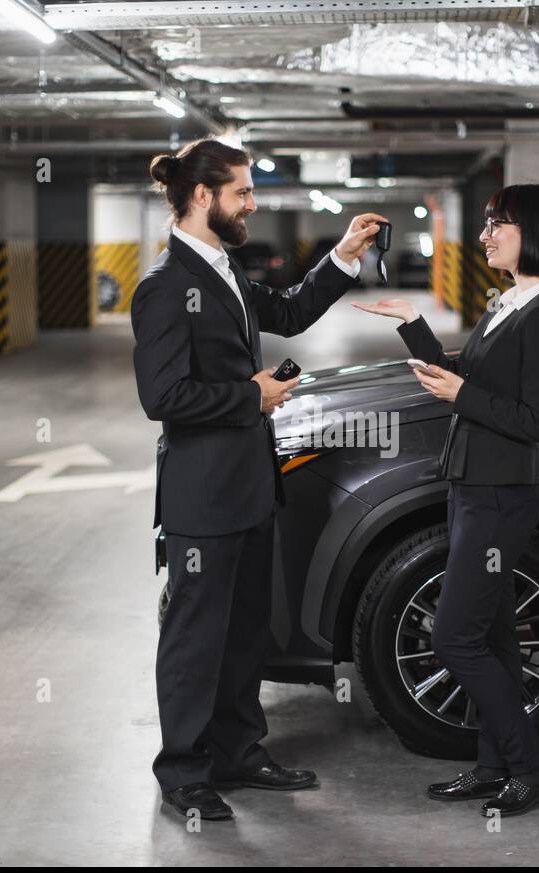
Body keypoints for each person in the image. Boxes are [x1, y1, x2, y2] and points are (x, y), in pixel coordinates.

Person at [132, 136, 383, 822]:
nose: (253, 202)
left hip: (246, 488)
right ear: (204, 197)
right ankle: (184, 770)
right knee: (195, 638)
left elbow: (293, 311)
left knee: (246, 633)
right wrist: (253, 397)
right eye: (243, 191)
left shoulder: (226, 272)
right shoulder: (164, 287)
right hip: (201, 496)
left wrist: (344, 256)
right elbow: (163, 397)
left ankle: (239, 752)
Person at [352, 183, 539, 817]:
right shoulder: (510, 304)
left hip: (502, 495)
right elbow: (472, 376)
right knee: (494, 634)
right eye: (485, 224)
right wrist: (412, 326)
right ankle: (492, 764)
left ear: (532, 232)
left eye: (498, 224)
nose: (486, 235)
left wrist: (461, 397)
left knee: (455, 640)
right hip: (473, 486)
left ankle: (530, 767)